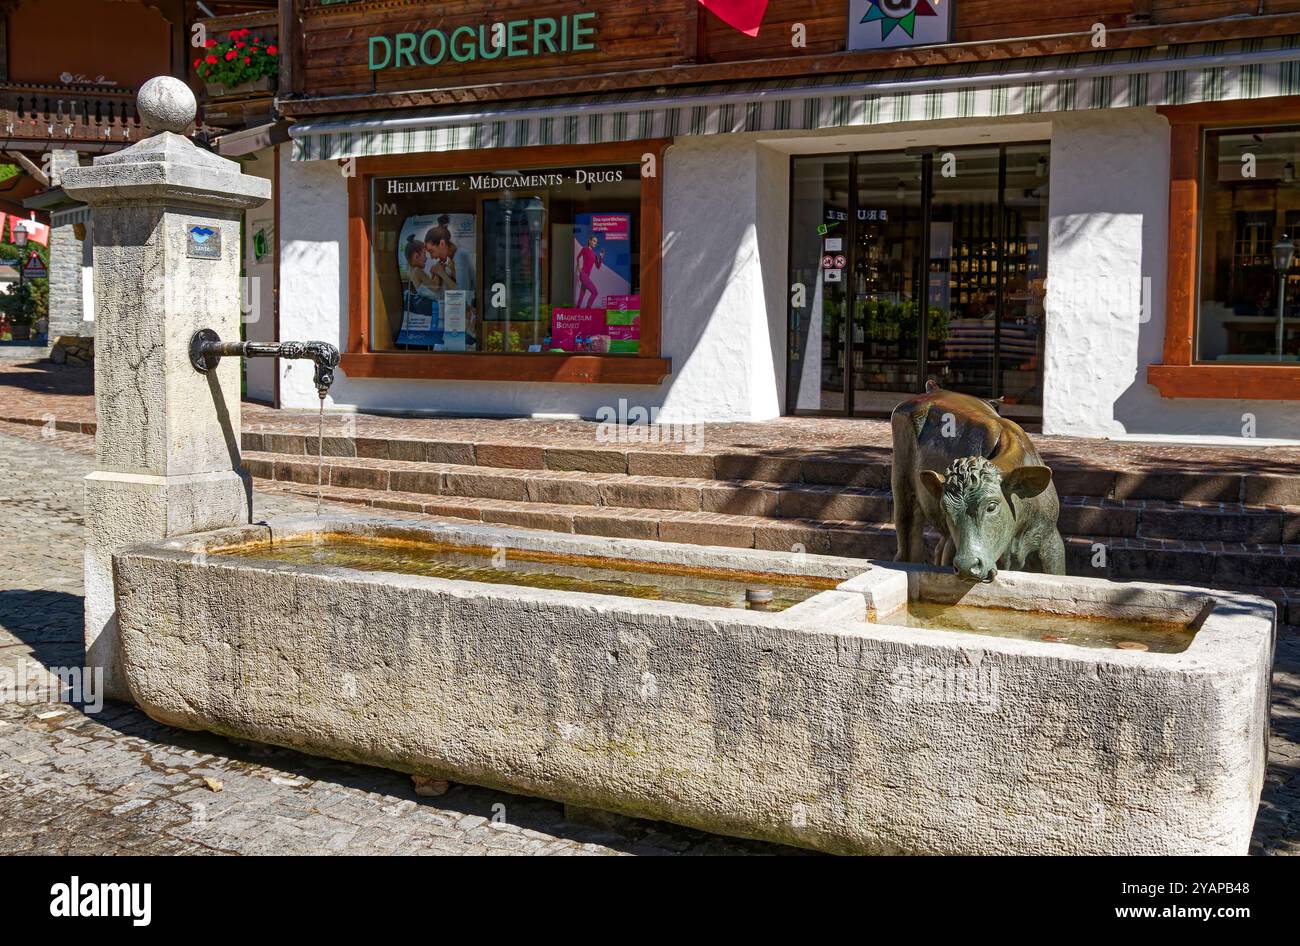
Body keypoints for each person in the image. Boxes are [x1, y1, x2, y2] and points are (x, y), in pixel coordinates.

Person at [575, 234, 605, 308]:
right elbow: (578, 257)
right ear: (589, 241)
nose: (595, 243)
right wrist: (578, 266)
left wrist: (601, 257)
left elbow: (598, 266)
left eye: (596, 242)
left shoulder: (594, 255)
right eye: (594, 241)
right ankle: (588, 309)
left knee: (582, 293)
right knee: (595, 292)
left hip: (586, 276)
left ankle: (577, 309)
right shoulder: (585, 249)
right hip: (583, 275)